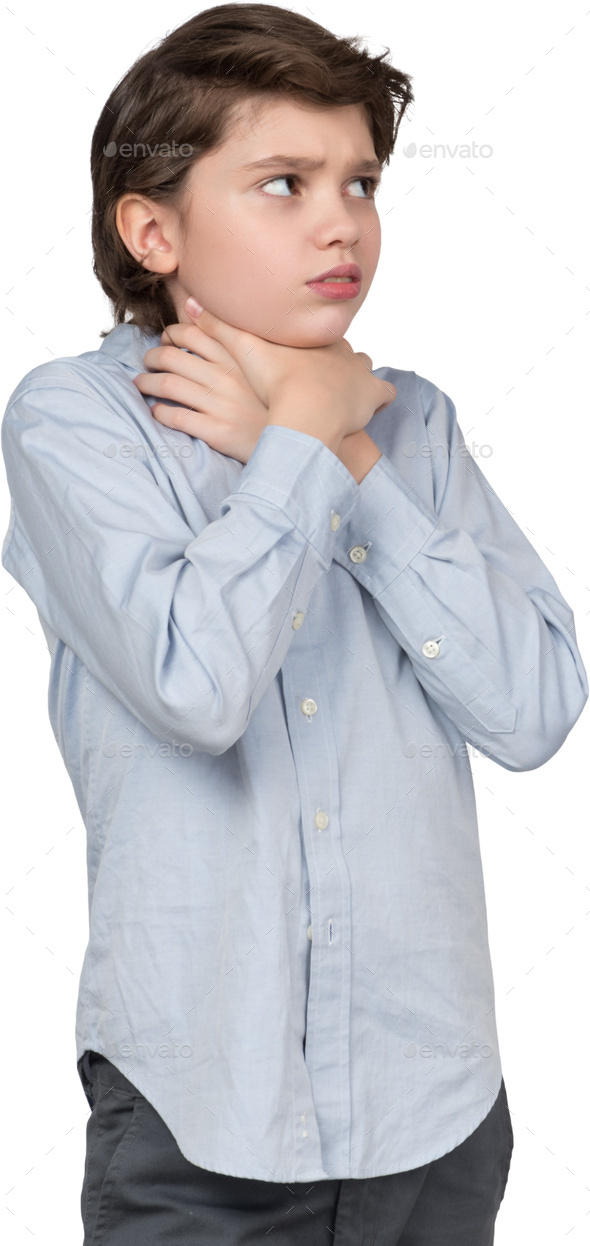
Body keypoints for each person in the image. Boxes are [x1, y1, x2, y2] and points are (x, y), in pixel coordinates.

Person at [1, 5, 587, 1243]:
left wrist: (349, 454)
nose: (342, 223)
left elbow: (533, 708)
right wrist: (301, 442)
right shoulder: (73, 422)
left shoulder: (410, 424)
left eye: (359, 183)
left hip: (434, 1110)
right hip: (203, 1116)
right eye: (284, 183)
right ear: (152, 230)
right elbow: (194, 687)